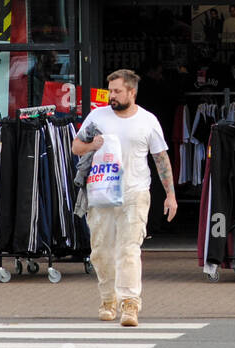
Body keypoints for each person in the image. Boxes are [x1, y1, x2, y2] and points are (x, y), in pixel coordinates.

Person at [71, 69, 177, 327]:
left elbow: (160, 158)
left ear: (132, 92)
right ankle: (108, 299)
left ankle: (130, 304)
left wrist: (170, 195)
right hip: (101, 191)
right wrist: (92, 145)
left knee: (129, 249)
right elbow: (76, 147)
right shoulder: (97, 116)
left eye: (118, 91)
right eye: (110, 91)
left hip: (135, 192)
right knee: (101, 251)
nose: (112, 96)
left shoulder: (148, 120)